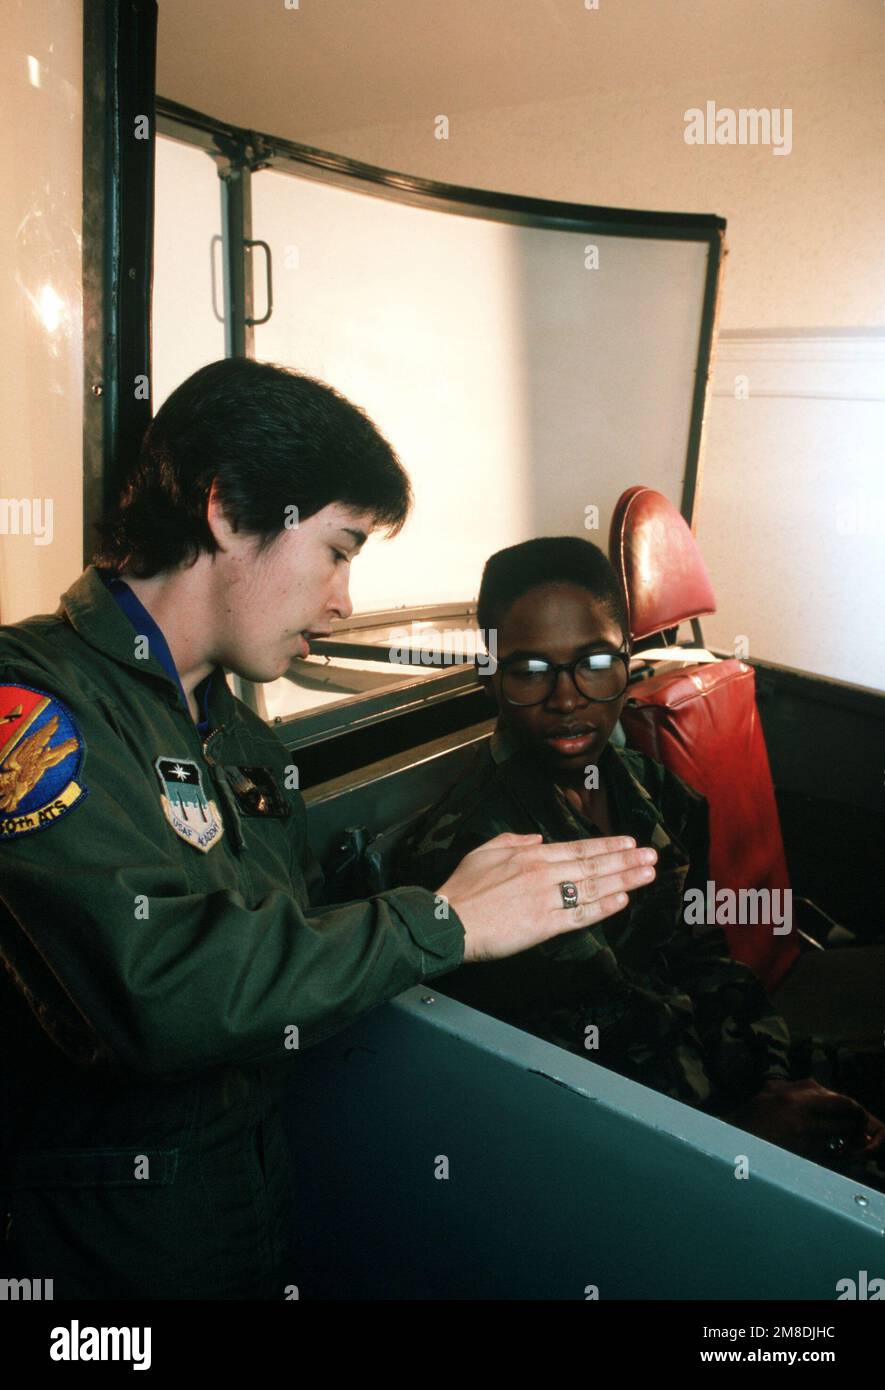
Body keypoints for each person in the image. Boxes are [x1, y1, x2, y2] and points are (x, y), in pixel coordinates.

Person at [0, 361, 658, 1300]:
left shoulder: (237, 740)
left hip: (249, 1201)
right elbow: (157, 991)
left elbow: (283, 950)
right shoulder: (33, 706)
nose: (345, 600)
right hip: (105, 1252)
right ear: (228, 512)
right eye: (339, 550)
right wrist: (441, 920)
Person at [397, 536, 885, 1188]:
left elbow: (706, 965)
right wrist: (735, 1141)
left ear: (628, 662)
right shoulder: (472, 855)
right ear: (489, 676)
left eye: (594, 662)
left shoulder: (652, 791)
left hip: (721, 1077)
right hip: (637, 1158)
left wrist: (778, 1081)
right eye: (528, 670)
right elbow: (546, 1097)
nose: (567, 698)